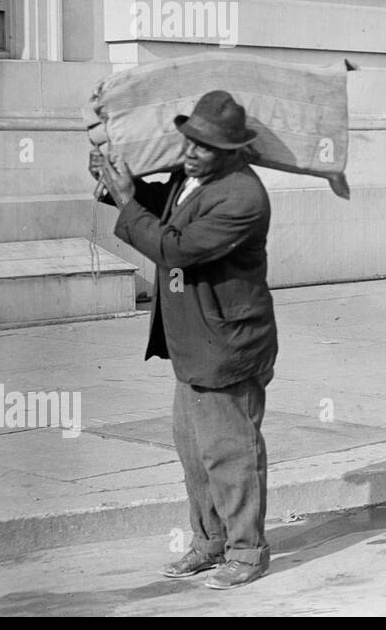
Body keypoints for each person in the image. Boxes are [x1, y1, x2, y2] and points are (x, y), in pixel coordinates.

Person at [93, 90, 277, 588]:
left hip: (228, 345)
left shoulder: (242, 196)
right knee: (194, 451)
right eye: (190, 139)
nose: (191, 150)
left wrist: (130, 203)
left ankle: (248, 551)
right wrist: (117, 186)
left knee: (230, 451)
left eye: (205, 146)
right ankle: (209, 542)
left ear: (233, 150)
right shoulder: (190, 176)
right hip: (193, 339)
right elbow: (162, 210)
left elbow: (176, 247)